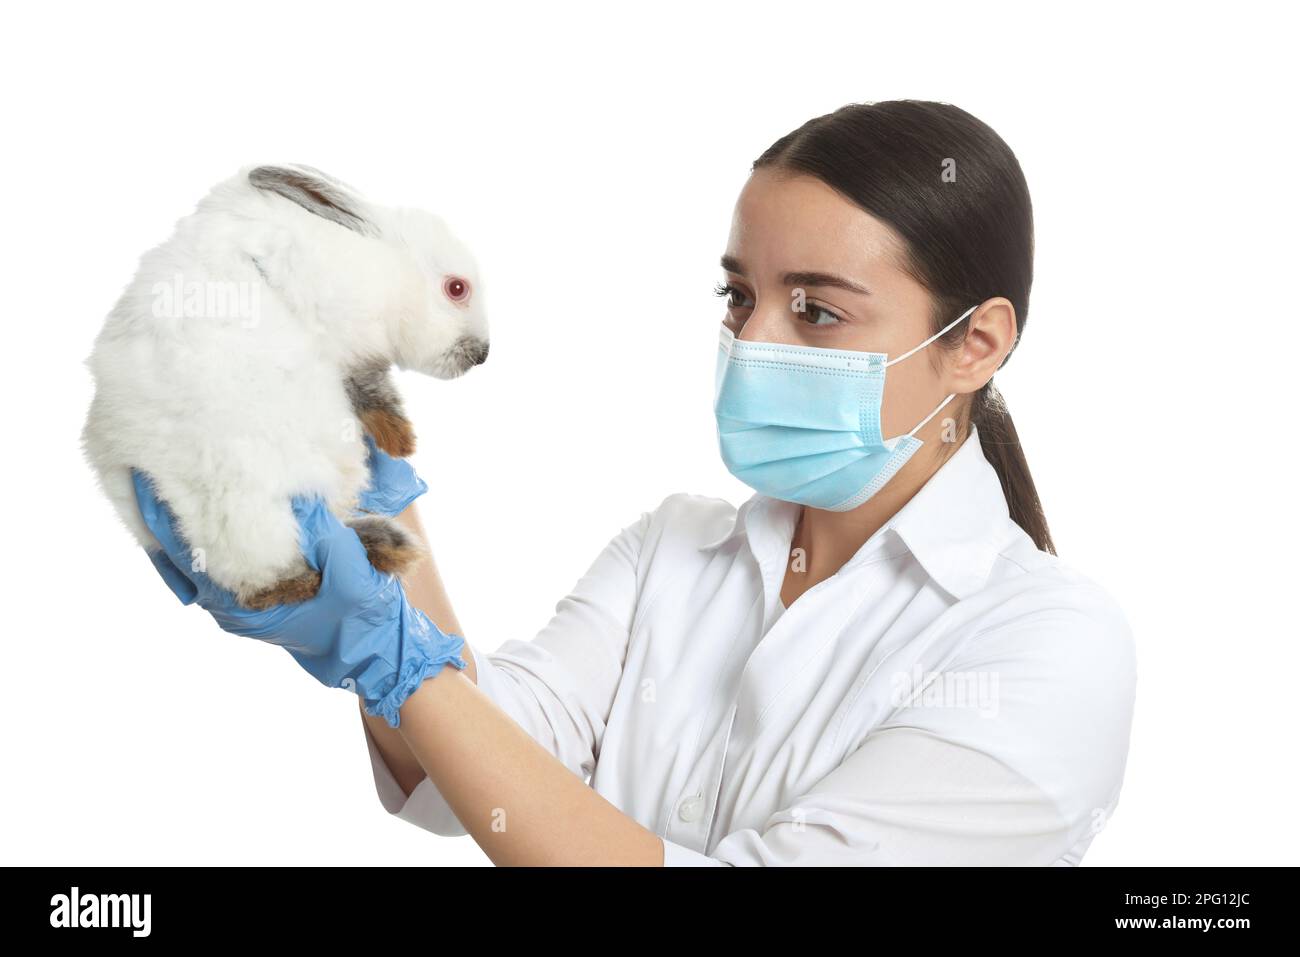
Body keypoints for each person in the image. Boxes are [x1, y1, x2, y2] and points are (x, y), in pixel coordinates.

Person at [131, 100, 1137, 866]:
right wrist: (378, 510)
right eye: (740, 296)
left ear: (976, 344)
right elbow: (479, 767)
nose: (751, 341)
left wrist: (387, 656)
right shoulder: (673, 549)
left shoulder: (1046, 645)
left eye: (818, 313)